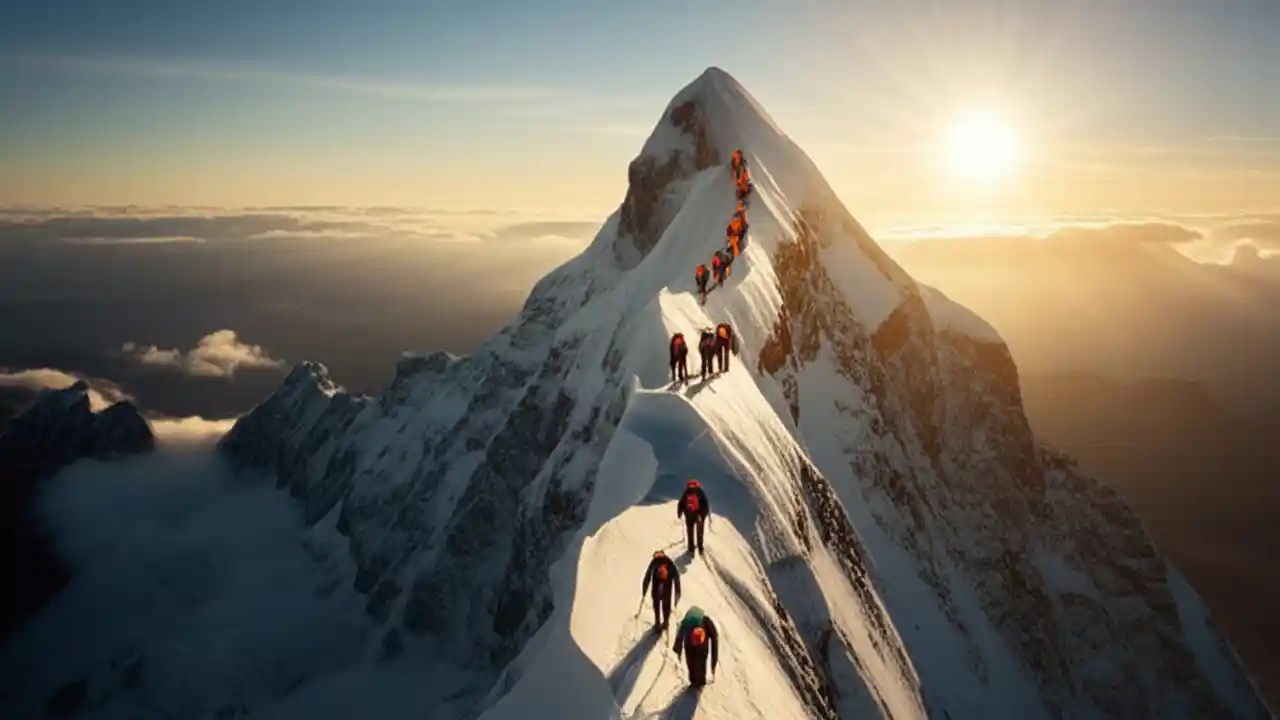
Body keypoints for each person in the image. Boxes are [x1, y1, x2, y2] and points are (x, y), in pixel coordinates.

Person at [673, 605, 720, 687]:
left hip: (702, 644)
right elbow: (678, 640)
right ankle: (693, 680)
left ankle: (701, 680)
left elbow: (714, 646)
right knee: (691, 661)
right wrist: (678, 654)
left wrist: (713, 666)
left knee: (702, 657)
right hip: (690, 642)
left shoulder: (708, 625)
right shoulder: (686, 627)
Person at [641, 549, 682, 631]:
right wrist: (678, 591)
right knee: (666, 606)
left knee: (656, 606)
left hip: (656, 588)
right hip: (667, 589)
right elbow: (676, 577)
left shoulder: (654, 562)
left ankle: (657, 624)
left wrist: (644, 590)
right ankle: (665, 623)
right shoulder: (670, 563)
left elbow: (647, 577)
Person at [677, 479, 710, 556]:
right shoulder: (700, 491)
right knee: (700, 532)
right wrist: (702, 515)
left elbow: (681, 503)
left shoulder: (686, 492)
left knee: (690, 532)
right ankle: (700, 547)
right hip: (698, 515)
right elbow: (705, 504)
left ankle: (691, 548)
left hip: (689, 515)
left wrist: (679, 513)